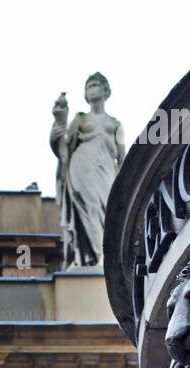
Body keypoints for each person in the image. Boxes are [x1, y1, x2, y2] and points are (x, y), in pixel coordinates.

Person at [51, 74, 125, 268]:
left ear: (105, 90)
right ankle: (100, 256)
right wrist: (59, 122)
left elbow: (122, 158)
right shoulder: (80, 118)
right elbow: (64, 149)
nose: (91, 90)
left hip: (106, 171)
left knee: (108, 211)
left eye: (95, 86)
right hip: (82, 166)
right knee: (90, 207)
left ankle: (106, 254)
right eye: (88, 87)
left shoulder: (115, 123)